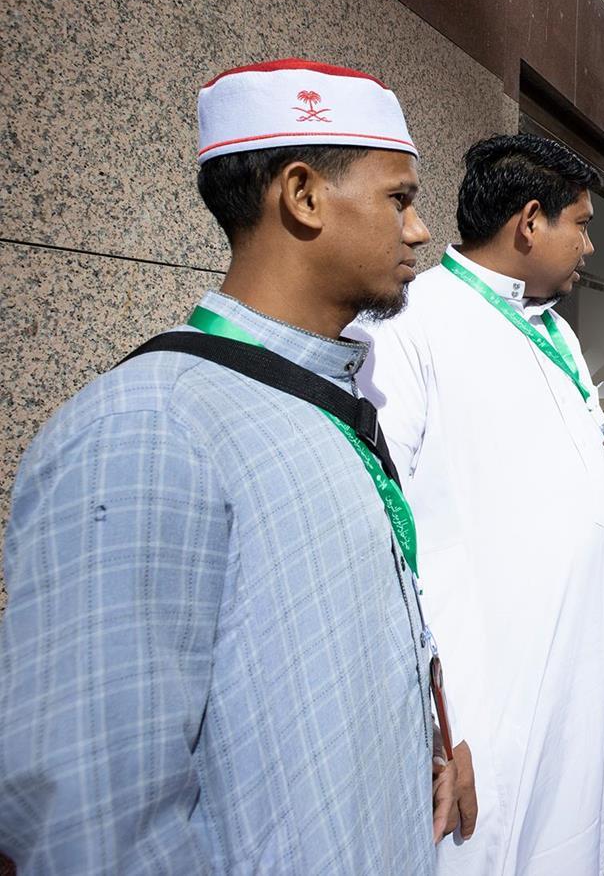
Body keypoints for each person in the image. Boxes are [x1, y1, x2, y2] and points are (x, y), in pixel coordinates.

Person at [0, 59, 475, 872]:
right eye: (399, 198)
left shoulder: (320, 402)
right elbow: (90, 818)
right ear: (302, 195)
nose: (420, 230)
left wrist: (416, 757)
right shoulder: (151, 429)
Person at [352, 135, 604, 874]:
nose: (588, 244)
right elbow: (385, 522)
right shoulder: (411, 324)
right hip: (489, 685)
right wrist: (437, 723)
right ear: (530, 222)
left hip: (574, 671)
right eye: (580, 224)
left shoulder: (559, 333)